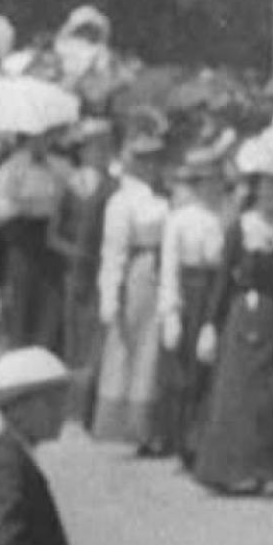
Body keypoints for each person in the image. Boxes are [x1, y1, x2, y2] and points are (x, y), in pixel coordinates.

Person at [194, 130, 273, 494]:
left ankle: (271, 470)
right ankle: (236, 469)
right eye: (268, 187)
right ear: (256, 188)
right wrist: (210, 325)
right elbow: (223, 281)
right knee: (241, 393)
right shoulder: (241, 228)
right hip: (245, 315)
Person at [92, 116, 171, 453]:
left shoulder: (165, 195)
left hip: (166, 268)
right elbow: (113, 252)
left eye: (155, 158)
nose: (151, 165)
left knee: (159, 350)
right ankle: (135, 427)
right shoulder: (123, 201)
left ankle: (157, 425)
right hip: (140, 274)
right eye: (143, 159)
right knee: (139, 349)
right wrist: (110, 296)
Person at [155, 145, 229, 466]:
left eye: (216, 181)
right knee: (188, 372)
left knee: (216, 371)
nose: (211, 188)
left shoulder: (227, 217)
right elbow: (169, 267)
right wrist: (170, 310)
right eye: (204, 182)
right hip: (192, 293)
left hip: (220, 291)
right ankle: (184, 441)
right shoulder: (180, 219)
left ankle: (208, 442)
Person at [0, 346, 75, 545]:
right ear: (19, 410)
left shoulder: (10, 461)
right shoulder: (6, 470)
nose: (63, 413)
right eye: (52, 403)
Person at [48, 119, 115, 421]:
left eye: (105, 146)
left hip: (106, 268)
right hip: (77, 272)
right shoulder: (71, 186)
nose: (100, 152)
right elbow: (53, 234)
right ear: (83, 151)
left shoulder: (116, 186)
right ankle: (75, 406)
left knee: (101, 338)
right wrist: (74, 254)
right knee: (77, 337)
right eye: (94, 147)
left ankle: (94, 405)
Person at [0, 132, 72, 350]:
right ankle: (20, 352)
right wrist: (25, 205)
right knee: (22, 299)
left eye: (44, 137)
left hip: (52, 241)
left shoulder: (61, 167)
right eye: (33, 138)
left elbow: (70, 198)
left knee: (52, 298)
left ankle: (49, 351)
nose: (39, 142)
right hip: (24, 242)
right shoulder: (10, 169)